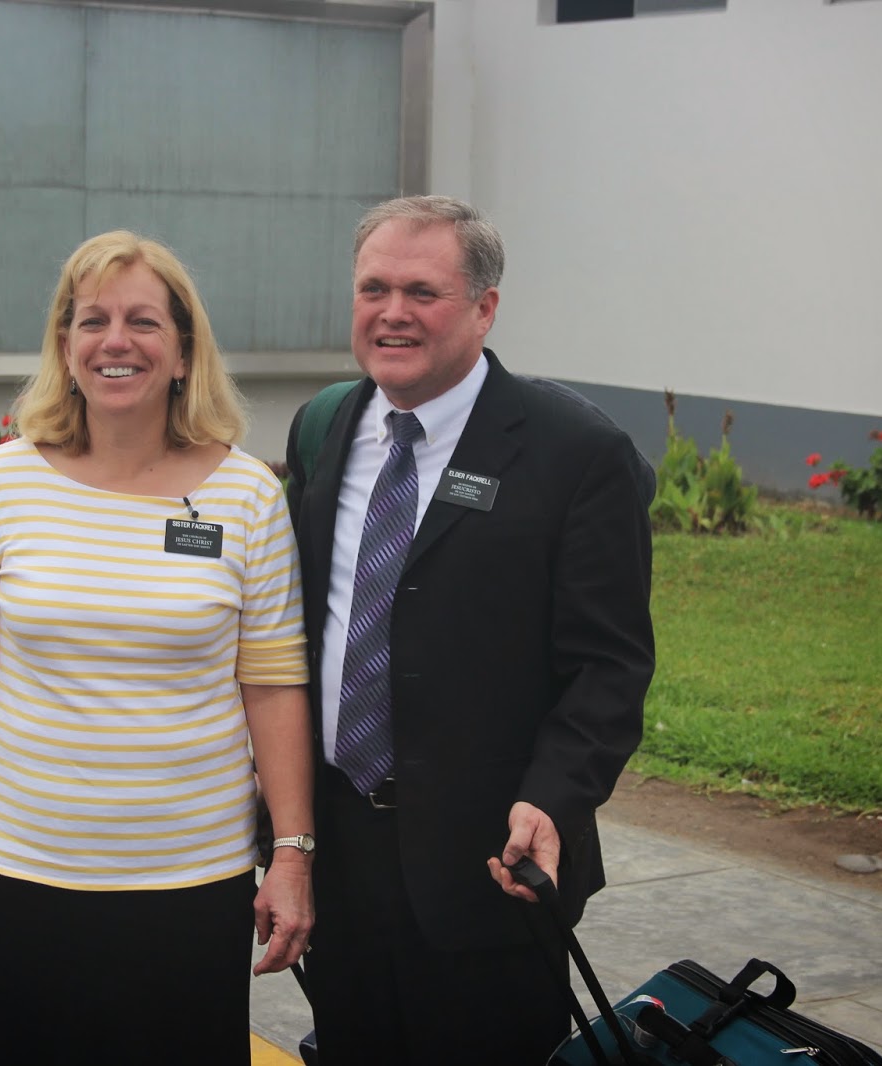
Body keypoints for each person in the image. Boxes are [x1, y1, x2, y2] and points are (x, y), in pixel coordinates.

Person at [0, 230, 315, 1064]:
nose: (116, 341)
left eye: (143, 322)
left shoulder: (246, 495)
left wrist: (293, 856)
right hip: (29, 867)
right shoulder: (0, 484)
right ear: (65, 345)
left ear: (184, 351)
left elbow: (271, 687)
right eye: (94, 321)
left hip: (192, 877)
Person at [285, 196, 655, 1065]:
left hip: (493, 863)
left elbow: (609, 665)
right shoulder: (324, 426)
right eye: (374, 289)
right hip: (342, 851)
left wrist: (555, 799)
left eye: (423, 292)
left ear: (485, 309)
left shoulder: (577, 452)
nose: (393, 313)